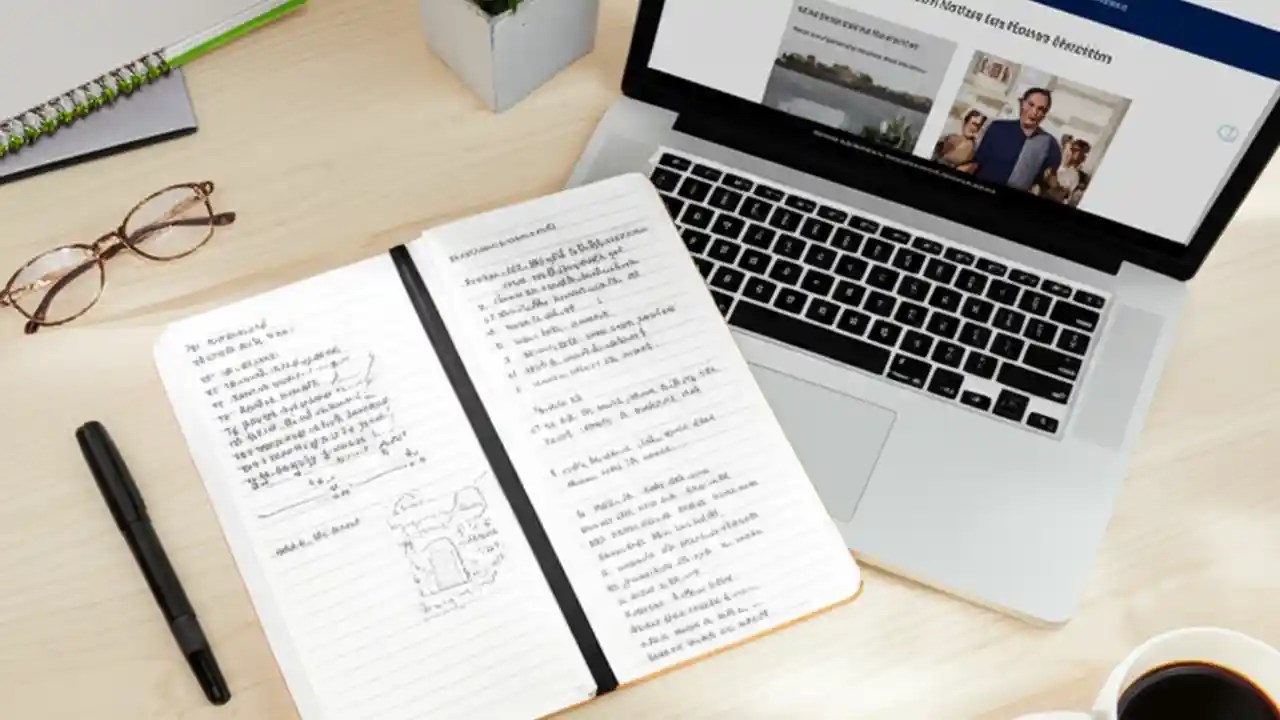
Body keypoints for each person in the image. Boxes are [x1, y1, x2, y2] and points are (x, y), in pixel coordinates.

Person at [965, 88, 1062, 193]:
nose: (1034, 112)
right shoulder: (997, 127)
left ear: (1044, 114)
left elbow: (1046, 184)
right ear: (1022, 104)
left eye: (1041, 109)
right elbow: (976, 162)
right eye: (1031, 104)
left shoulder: (1050, 145)